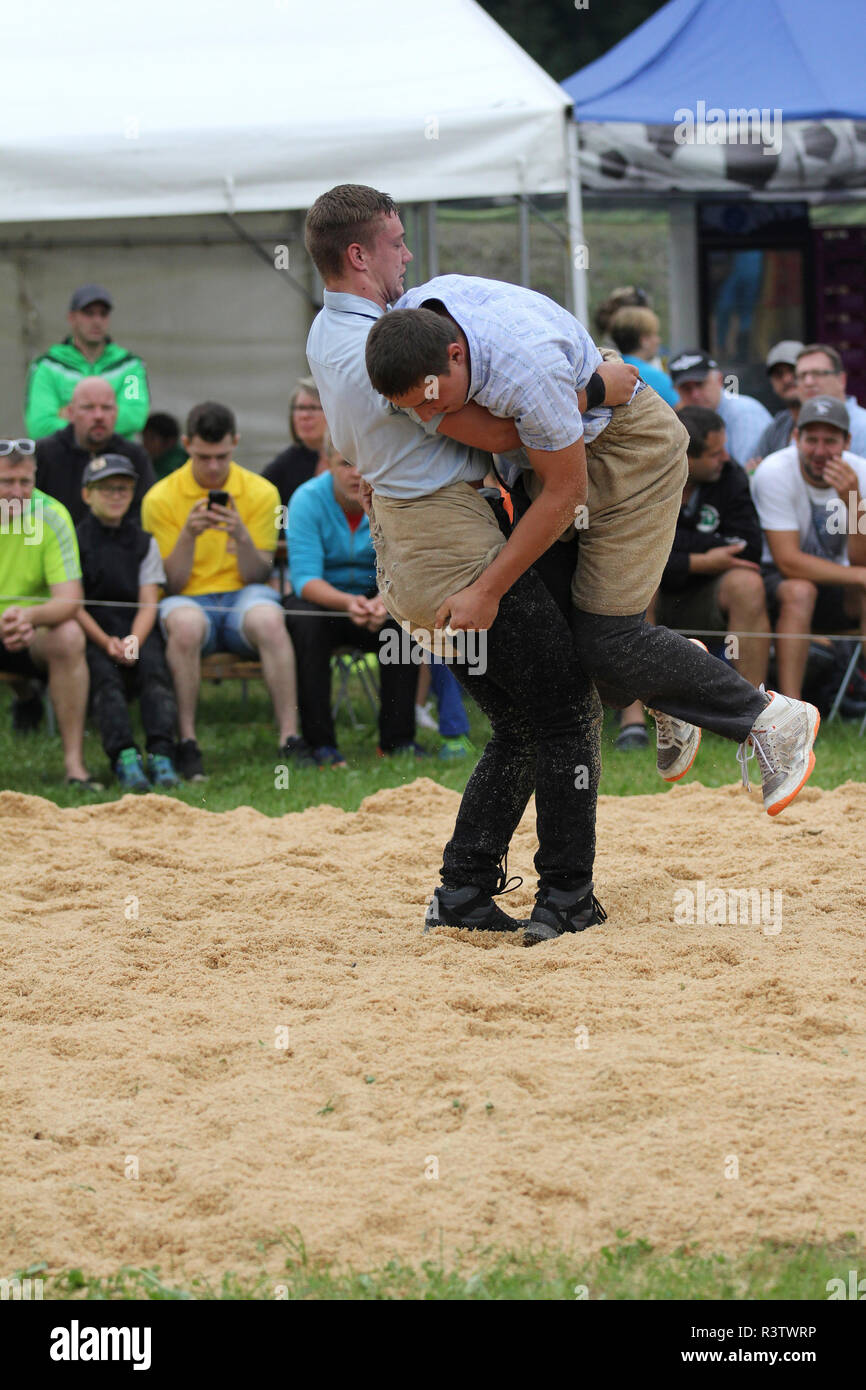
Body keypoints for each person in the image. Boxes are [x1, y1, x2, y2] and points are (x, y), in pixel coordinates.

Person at [365, 272, 819, 816]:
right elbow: (514, 437)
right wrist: (589, 391)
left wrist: (486, 590)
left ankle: (769, 718)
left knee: (607, 639)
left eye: (433, 402)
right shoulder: (415, 327)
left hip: (632, 455)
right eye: (412, 408)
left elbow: (559, 487)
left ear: (456, 353)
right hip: (567, 441)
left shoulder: (523, 374)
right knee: (561, 643)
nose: (429, 417)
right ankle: (669, 671)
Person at [305, 184, 615, 943]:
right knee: (568, 710)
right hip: (447, 545)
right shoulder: (380, 351)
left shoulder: (333, 333)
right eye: (395, 242)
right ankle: (567, 894)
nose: (407, 255)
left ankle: (465, 888)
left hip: (416, 547)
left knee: (519, 723)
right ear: (358, 254)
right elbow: (506, 433)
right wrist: (596, 387)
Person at [141, 401, 303, 780]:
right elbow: (172, 584)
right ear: (185, 445)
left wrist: (241, 536)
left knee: (269, 617)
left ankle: (290, 736)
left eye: (221, 456)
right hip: (187, 598)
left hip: (242, 596)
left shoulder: (261, 492)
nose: (213, 467)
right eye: (203, 457)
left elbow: (256, 575)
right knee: (183, 625)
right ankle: (188, 741)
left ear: (236, 443)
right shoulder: (159, 498)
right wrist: (188, 536)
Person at [283, 436, 420, 766]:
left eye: (365, 463)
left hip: (379, 600)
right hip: (325, 604)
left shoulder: (392, 499)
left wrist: (384, 604)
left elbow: (406, 568)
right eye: (346, 463)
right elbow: (304, 580)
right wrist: (350, 604)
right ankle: (321, 744)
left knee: (402, 626)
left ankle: (398, 741)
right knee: (306, 622)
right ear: (327, 465)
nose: (357, 473)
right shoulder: (305, 499)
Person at [0, 437, 102, 791]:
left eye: (24, 482)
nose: (17, 491)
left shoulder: (52, 514)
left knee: (70, 635)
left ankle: (75, 766)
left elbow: (70, 600)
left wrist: (29, 618)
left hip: (31, 628)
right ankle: (26, 698)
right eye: (6, 482)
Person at [75, 455, 180, 792]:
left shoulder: (144, 542)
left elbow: (149, 600)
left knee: (155, 673)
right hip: (93, 630)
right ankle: (123, 757)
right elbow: (72, 603)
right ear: (86, 494)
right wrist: (106, 641)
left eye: (122, 488)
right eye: (105, 488)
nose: (115, 495)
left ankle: (162, 753)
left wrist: (134, 639)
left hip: (137, 626)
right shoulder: (73, 540)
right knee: (106, 680)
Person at [751, 396, 866, 701]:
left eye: (830, 441)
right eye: (811, 439)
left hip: (843, 580)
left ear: (847, 441)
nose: (819, 451)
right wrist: (858, 578)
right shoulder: (774, 471)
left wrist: (853, 501)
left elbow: (861, 559)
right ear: (796, 438)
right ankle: (793, 707)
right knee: (801, 590)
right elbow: (787, 561)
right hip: (778, 578)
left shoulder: (860, 474)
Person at [654, 406, 770, 688]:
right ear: (686, 458)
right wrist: (701, 561)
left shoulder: (730, 475)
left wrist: (677, 545)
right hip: (651, 598)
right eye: (715, 453)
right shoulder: (647, 479)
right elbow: (633, 550)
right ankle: (633, 719)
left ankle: (755, 712)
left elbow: (749, 547)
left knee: (748, 583)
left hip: (706, 598)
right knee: (635, 576)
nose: (726, 458)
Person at [25, 284, 149, 440]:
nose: (97, 321)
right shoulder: (47, 366)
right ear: (71, 318)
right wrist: (107, 417)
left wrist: (73, 416)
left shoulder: (130, 366)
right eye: (89, 313)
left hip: (117, 460)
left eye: (103, 314)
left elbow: (134, 418)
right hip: (64, 461)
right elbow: (40, 426)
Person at [35, 378, 155, 524]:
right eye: (88, 407)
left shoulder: (136, 456)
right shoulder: (43, 454)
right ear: (71, 413)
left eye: (106, 408)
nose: (99, 416)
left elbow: (144, 514)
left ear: (116, 412)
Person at [669, 349, 772, 466]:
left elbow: (746, 474)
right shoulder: (681, 420)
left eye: (700, 384)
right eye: (686, 388)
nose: (695, 394)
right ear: (676, 391)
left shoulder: (744, 413)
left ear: (719, 380)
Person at [262, 378, 329, 511]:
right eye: (300, 408)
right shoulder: (283, 466)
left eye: (313, 408)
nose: (304, 415)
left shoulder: (353, 457)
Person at [791, 344, 866, 457]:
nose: (808, 382)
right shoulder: (792, 423)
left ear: (841, 380)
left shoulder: (862, 426)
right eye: (802, 375)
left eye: (818, 373)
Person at [608, 305, 678, 408]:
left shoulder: (610, 370)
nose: (658, 340)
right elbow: (680, 413)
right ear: (644, 340)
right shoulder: (657, 378)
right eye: (655, 334)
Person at [751, 340, 805, 467]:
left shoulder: (850, 422)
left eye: (793, 370)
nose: (787, 379)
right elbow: (754, 471)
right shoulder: (777, 426)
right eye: (778, 374)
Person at [142, 413, 188, 480]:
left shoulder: (175, 465)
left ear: (169, 441)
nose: (145, 444)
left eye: (151, 439)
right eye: (144, 438)